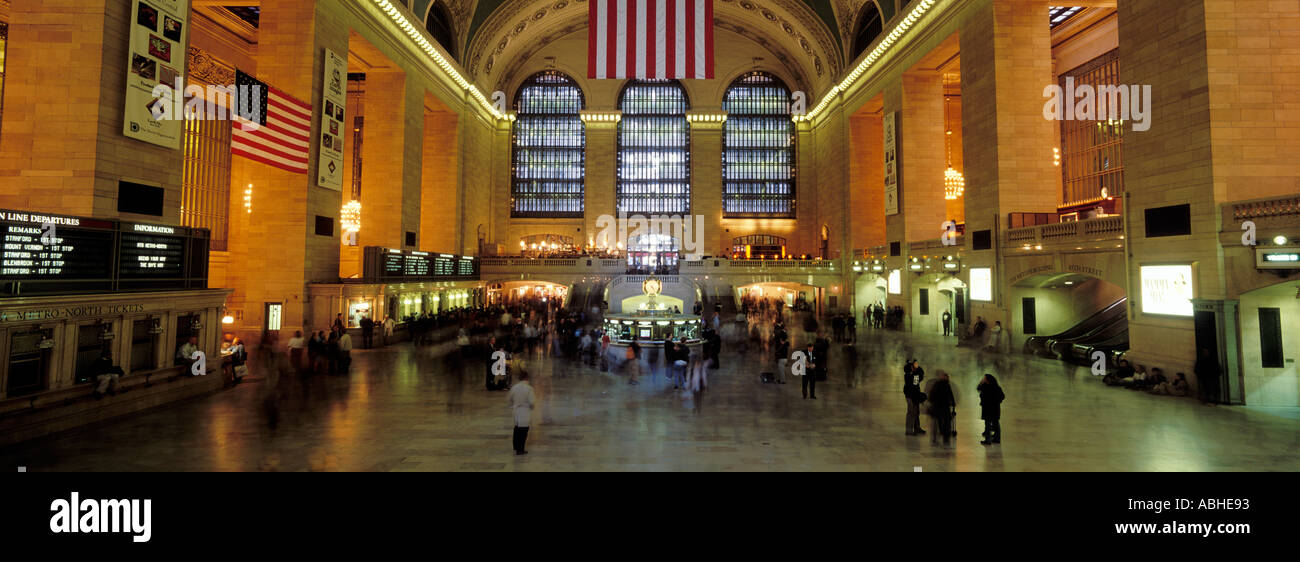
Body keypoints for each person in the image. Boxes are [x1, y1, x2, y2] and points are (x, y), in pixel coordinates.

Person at [507, 371, 536, 455]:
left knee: (517, 428)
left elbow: (510, 399)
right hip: (525, 411)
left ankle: (515, 446)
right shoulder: (529, 388)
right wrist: (532, 406)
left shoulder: (514, 387)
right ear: (527, 378)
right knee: (523, 430)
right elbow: (532, 401)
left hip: (516, 410)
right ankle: (520, 449)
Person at [927, 371, 957, 447]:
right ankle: (944, 439)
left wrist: (952, 403)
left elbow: (931, 396)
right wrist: (952, 403)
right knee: (944, 423)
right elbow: (950, 395)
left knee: (939, 423)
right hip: (942, 407)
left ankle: (938, 438)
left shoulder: (939, 385)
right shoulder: (943, 385)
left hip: (939, 407)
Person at [977, 374, 1004, 445]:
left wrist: (995, 401)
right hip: (992, 408)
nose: (983, 379)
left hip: (989, 408)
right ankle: (996, 439)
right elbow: (978, 389)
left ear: (988, 379)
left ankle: (988, 440)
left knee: (989, 424)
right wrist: (981, 382)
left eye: (984, 378)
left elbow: (1002, 396)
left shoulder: (993, 387)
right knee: (995, 424)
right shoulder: (987, 386)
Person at [903, 360, 926, 435]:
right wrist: (918, 367)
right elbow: (921, 376)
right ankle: (909, 430)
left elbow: (920, 376)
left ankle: (916, 428)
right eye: (913, 367)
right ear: (911, 368)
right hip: (912, 397)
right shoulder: (911, 376)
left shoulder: (909, 375)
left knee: (915, 413)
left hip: (913, 396)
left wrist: (915, 366)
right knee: (911, 413)